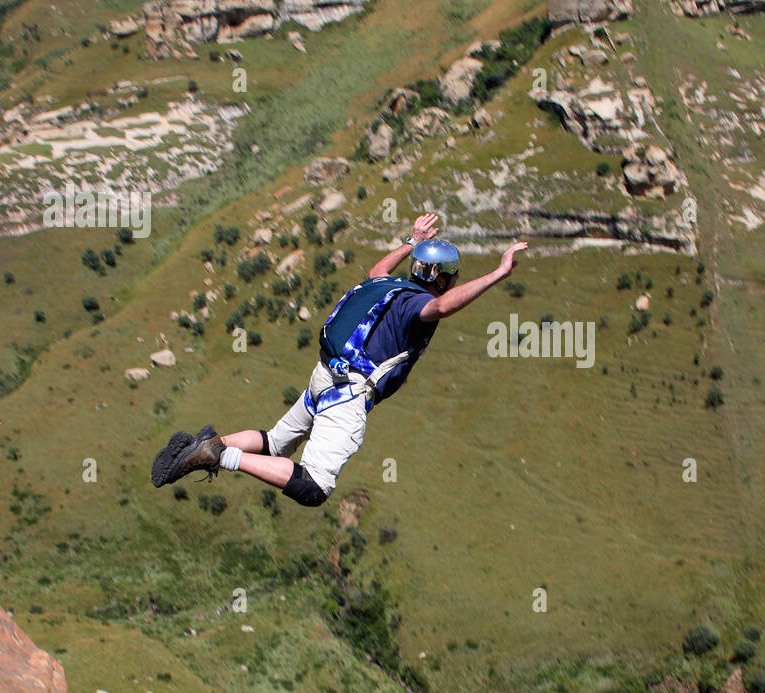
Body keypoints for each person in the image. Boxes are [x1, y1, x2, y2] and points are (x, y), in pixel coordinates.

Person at [151, 213, 528, 506]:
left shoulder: (385, 283)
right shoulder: (417, 305)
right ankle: (217, 454)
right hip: (348, 396)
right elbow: (442, 306)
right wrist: (498, 272)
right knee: (313, 486)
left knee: (273, 444)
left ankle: (205, 443)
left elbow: (378, 268)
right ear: (443, 278)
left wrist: (412, 240)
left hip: (323, 378)